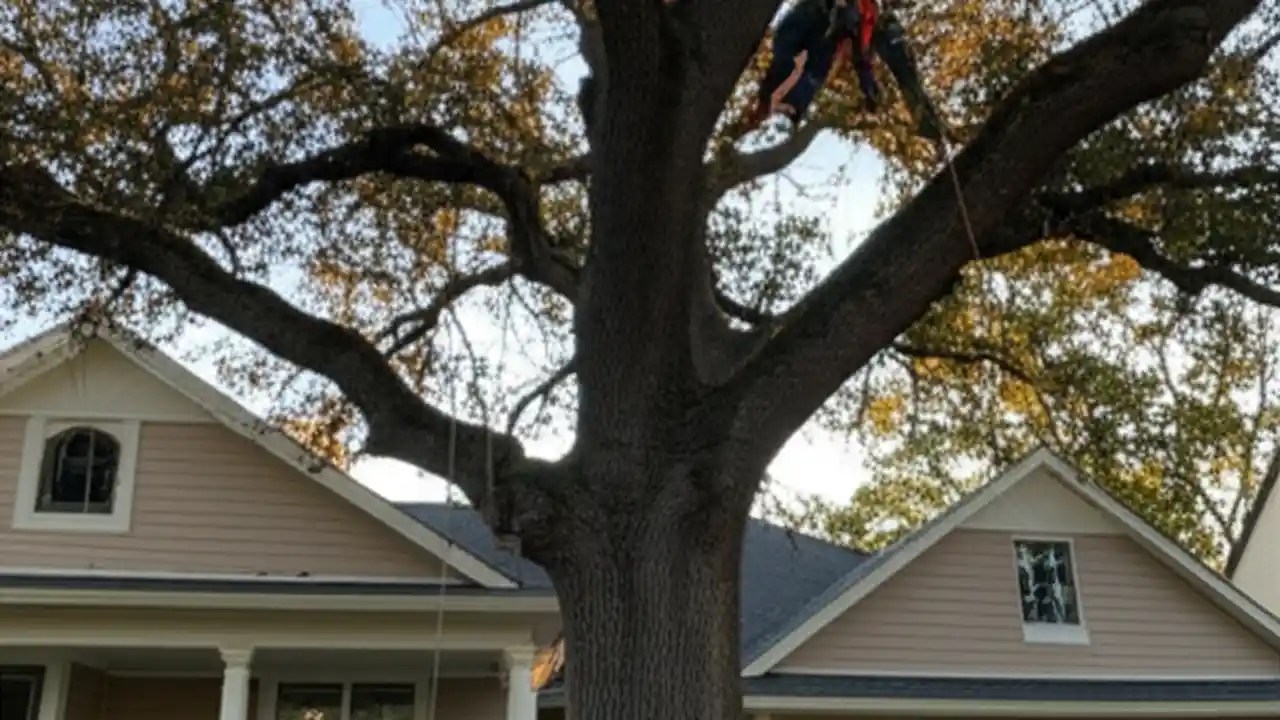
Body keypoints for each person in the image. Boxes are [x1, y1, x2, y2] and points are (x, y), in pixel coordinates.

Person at [746, 0, 945, 142]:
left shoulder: (877, 23)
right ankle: (767, 110)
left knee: (805, 72)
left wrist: (865, 73)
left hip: (826, 31)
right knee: (794, 64)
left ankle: (775, 111)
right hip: (818, 19)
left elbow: (892, 64)